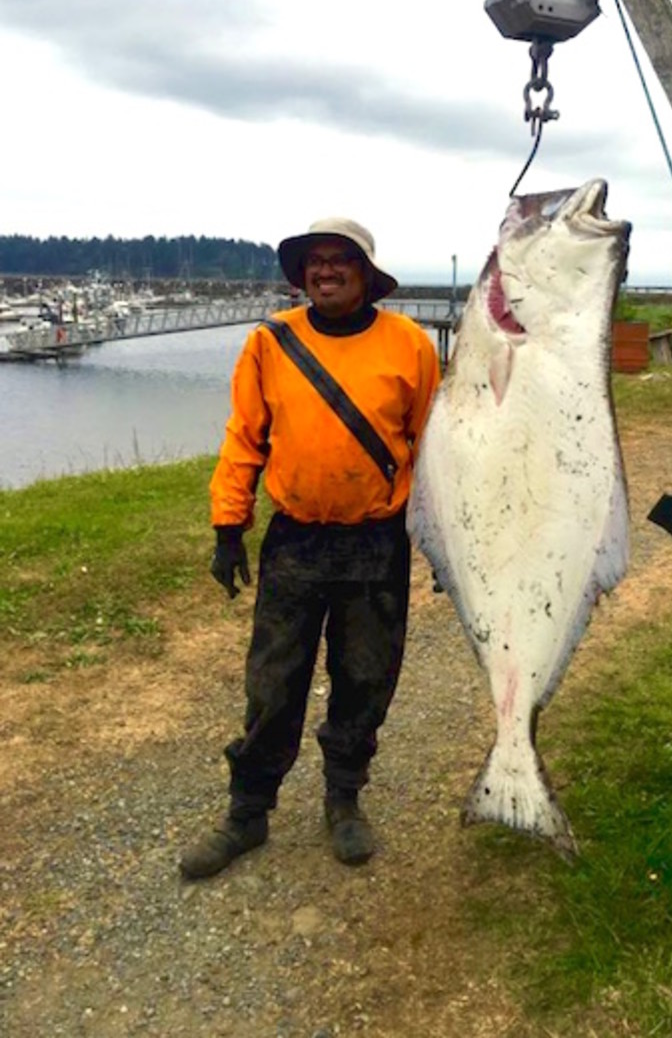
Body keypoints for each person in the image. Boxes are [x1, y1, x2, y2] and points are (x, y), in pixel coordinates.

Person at [179, 218, 441, 878]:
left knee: (363, 678)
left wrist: (443, 543)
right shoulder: (269, 342)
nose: (325, 271)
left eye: (339, 260)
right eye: (314, 262)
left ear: (366, 273)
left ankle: (344, 799)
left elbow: (435, 449)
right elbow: (244, 438)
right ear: (301, 276)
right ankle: (246, 812)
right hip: (295, 539)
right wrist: (226, 527)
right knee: (273, 682)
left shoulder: (409, 345)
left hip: (375, 542)